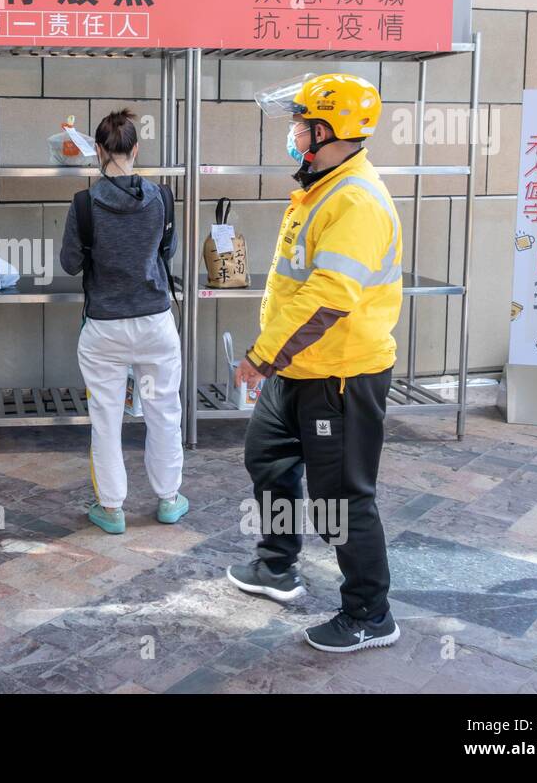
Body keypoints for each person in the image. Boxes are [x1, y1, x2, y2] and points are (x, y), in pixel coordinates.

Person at [227, 73, 403, 652]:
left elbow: (328, 295)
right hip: (299, 370)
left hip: (341, 375)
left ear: (327, 129)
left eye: (300, 123)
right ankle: (276, 567)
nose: (293, 133)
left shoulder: (355, 199)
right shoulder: (320, 186)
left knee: (342, 500)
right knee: (267, 459)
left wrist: (262, 356)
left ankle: (369, 614)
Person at [60, 109, 187, 535]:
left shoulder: (84, 205)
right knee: (164, 412)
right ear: (136, 149)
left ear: (97, 151)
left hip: (105, 331)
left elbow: (71, 264)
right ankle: (168, 500)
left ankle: (111, 508)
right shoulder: (163, 198)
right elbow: (166, 253)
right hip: (155, 324)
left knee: (106, 417)